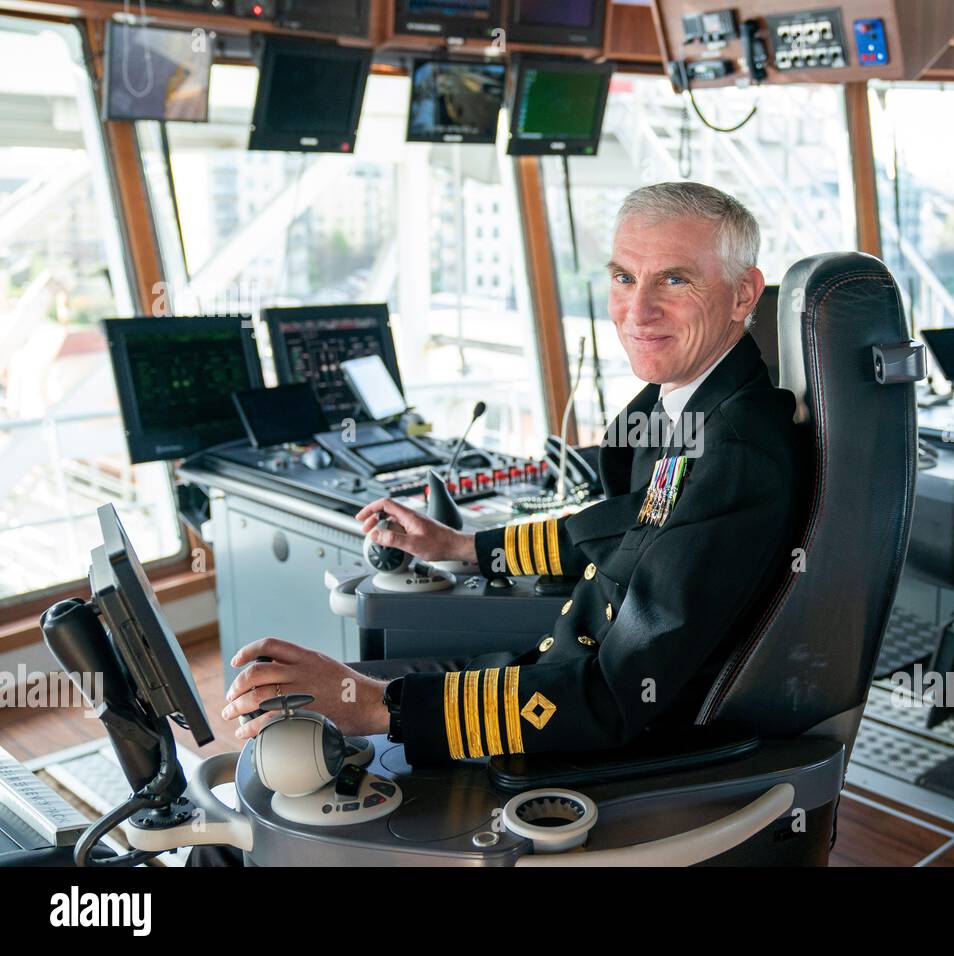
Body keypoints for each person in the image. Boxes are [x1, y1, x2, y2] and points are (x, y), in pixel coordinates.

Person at [221, 181, 798, 769]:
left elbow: (614, 699)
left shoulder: (736, 452)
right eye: (624, 278)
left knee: (286, 768)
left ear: (742, 293)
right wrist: (466, 547)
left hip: (594, 738)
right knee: (291, 721)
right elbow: (622, 536)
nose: (638, 311)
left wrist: (378, 707)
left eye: (674, 280)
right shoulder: (683, 405)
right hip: (555, 674)